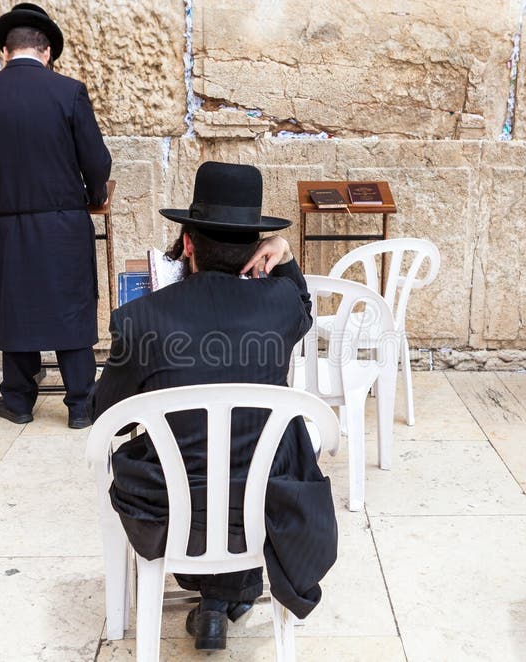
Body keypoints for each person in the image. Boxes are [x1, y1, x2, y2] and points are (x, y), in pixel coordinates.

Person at [91, 162, 337, 651]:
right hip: (265, 508)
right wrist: (284, 257)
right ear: (256, 251)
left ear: (187, 245)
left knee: (173, 455)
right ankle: (228, 596)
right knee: (262, 450)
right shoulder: (281, 305)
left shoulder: (141, 319)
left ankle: (214, 601)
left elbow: (105, 412)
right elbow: (302, 302)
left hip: (170, 512)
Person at [0, 3, 111, 429]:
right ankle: (81, 404)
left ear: (6, 50)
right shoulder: (69, 91)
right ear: (46, 51)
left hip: (8, 221)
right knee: (72, 305)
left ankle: (19, 401)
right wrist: (91, 195)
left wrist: (3, 194)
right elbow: (96, 161)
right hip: (63, 220)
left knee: (16, 304)